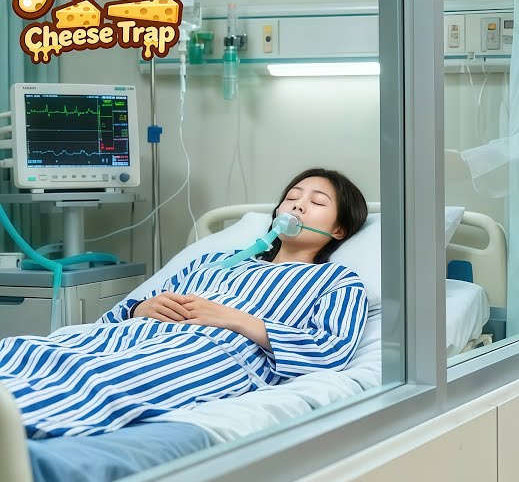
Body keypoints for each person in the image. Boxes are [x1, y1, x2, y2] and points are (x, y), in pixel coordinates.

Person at [1, 168, 370, 438]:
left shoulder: (335, 281)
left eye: (316, 202)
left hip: (201, 356)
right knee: (32, 350)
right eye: (291, 197)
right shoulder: (215, 263)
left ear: (339, 230)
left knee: (98, 381)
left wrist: (235, 319)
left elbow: (329, 351)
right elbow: (110, 322)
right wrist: (139, 309)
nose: (298, 205)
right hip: (130, 338)